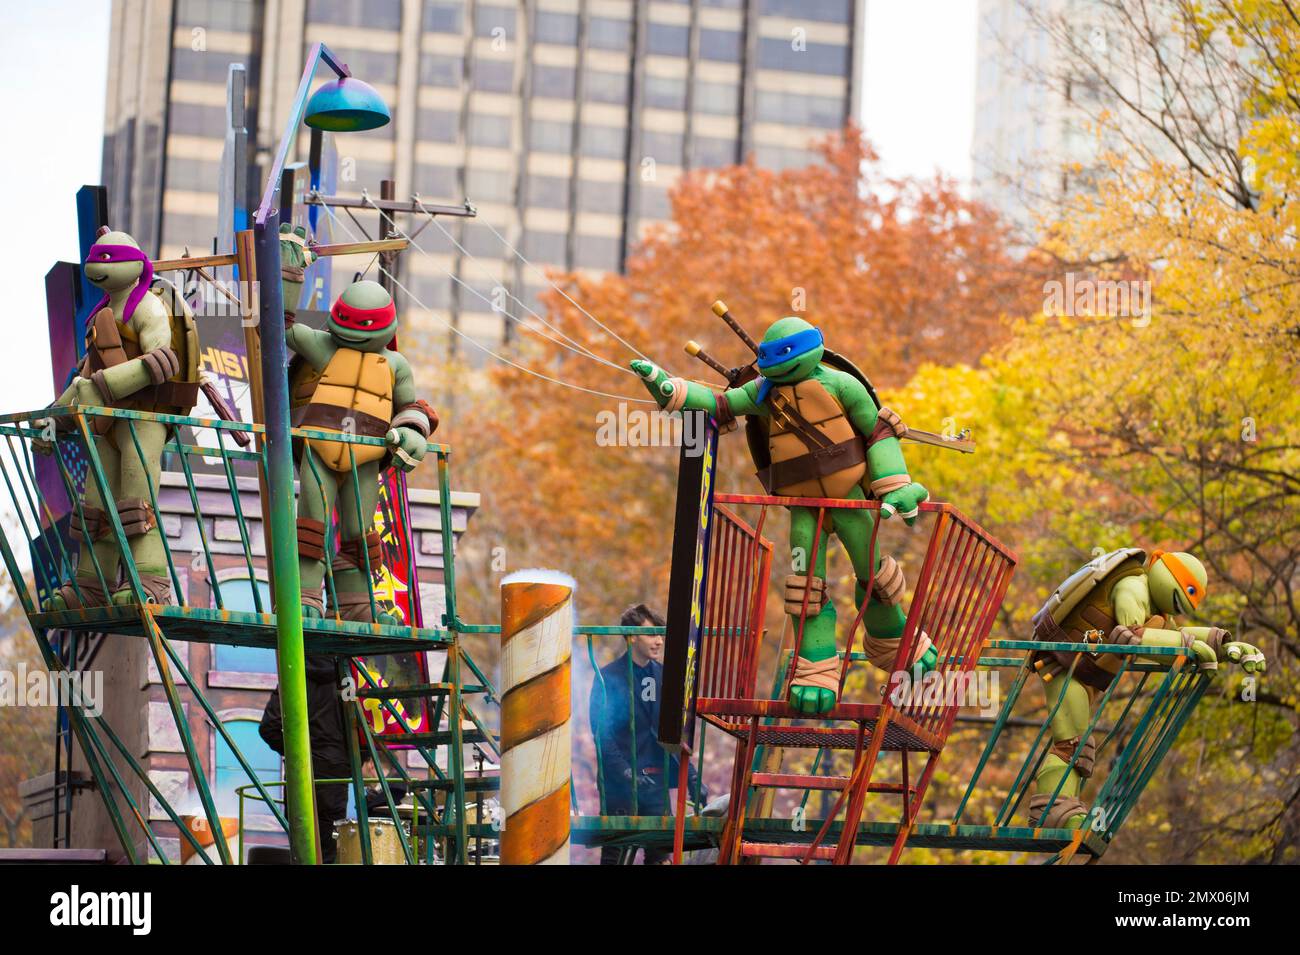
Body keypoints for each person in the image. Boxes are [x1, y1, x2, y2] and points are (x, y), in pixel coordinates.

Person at [589, 603, 705, 865]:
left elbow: (673, 732)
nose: (659, 640)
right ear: (631, 637)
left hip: (655, 780)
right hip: (619, 784)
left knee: (660, 855)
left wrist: (693, 777)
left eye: (661, 634)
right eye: (652, 634)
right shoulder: (608, 677)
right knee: (616, 854)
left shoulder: (665, 675)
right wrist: (625, 772)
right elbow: (601, 732)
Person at [259, 654, 351, 863]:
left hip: (300, 772)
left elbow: (268, 728)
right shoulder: (347, 678)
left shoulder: (293, 676)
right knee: (329, 850)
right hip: (335, 773)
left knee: (301, 850)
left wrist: (297, 753)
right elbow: (360, 729)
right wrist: (347, 760)